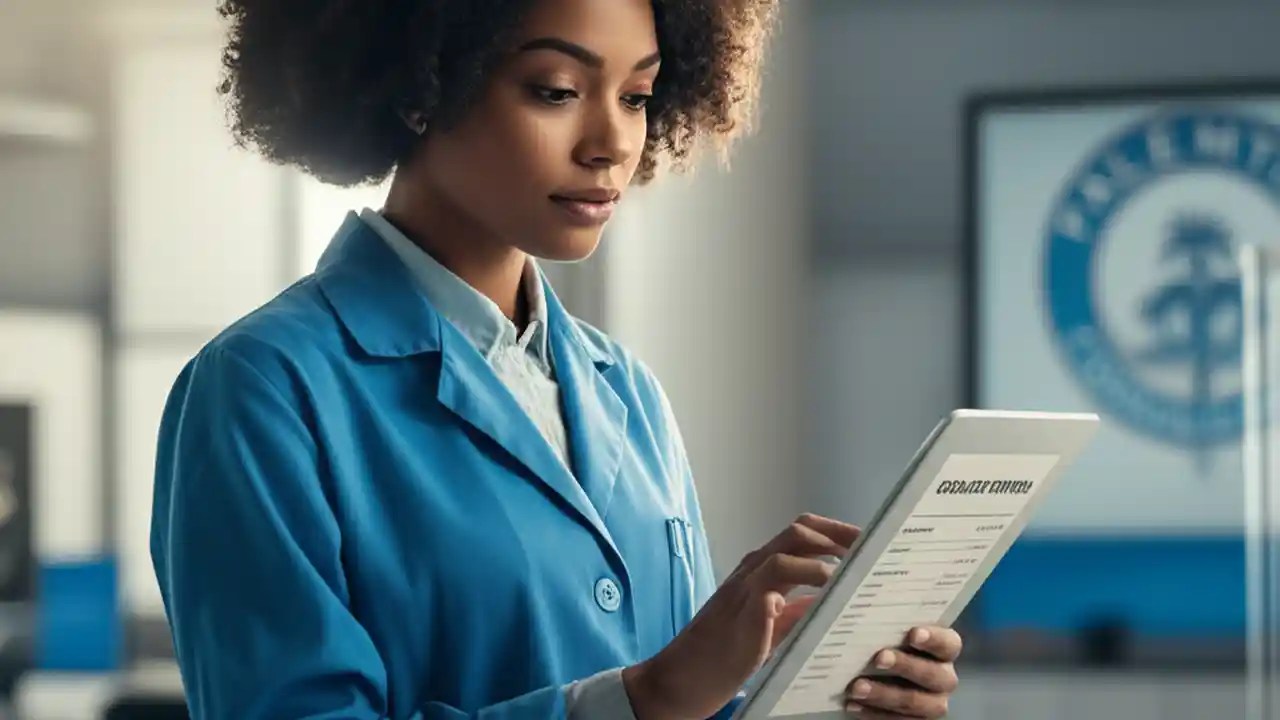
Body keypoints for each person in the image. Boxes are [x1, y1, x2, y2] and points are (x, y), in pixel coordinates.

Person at [149, 1, 963, 718]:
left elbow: (679, 706)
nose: (613, 143)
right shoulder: (262, 389)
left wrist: (841, 705)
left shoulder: (627, 392)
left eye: (638, 96)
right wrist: (652, 697)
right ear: (418, 84)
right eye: (556, 90)